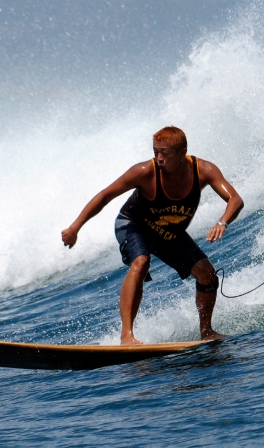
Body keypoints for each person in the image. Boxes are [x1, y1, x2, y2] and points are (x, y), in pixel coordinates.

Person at [61, 126, 244, 344]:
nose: (158, 158)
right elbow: (105, 195)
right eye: (155, 151)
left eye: (164, 153)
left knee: (207, 274)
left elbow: (235, 199)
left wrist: (222, 221)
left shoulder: (203, 170)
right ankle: (126, 336)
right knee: (141, 261)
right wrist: (75, 228)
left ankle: (206, 332)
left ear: (182, 151)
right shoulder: (144, 172)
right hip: (132, 224)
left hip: (167, 232)